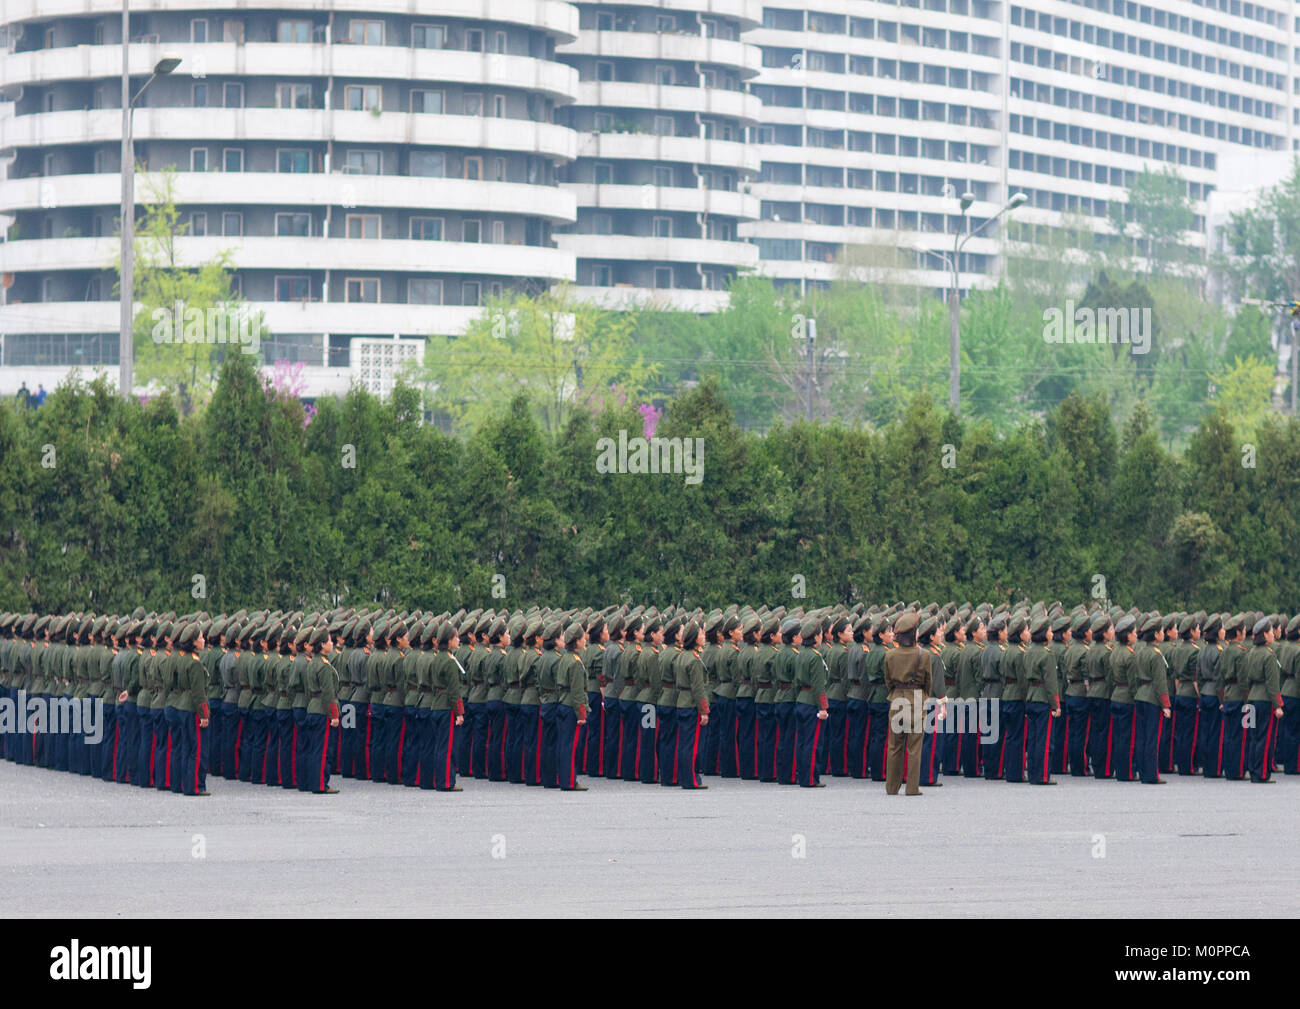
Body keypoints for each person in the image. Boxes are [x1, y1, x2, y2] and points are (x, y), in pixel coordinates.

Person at [883, 611, 932, 796]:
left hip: (896, 699)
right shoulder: (924, 655)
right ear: (913, 634)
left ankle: (891, 787)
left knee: (894, 746)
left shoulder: (890, 655)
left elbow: (888, 681)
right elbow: (928, 681)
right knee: (914, 748)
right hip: (917, 699)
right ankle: (912, 787)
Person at [1242, 617, 1284, 784]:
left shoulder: (1249, 653)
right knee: (1265, 738)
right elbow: (1272, 684)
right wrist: (1278, 705)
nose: (1273, 634)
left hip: (1251, 699)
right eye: (1270, 632)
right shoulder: (1269, 655)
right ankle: (1262, 773)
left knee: (1252, 735)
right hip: (1265, 701)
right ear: (1265, 635)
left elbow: (1245, 680)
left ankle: (1252, 770)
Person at [1023, 615, 1061, 785]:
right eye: (1050, 631)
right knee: (1045, 741)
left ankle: (1032, 773)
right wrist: (1056, 705)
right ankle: (1043, 775)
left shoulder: (1028, 652)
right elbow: (1051, 683)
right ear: (1044, 634)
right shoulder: (1047, 655)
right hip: (1043, 699)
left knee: (1032, 739)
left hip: (1030, 697)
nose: (1052, 634)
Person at [1133, 614, 1171, 785]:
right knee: (1152, 738)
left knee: (1141, 737)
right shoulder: (1156, 655)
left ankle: (1142, 771)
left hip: (1140, 694)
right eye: (1162, 631)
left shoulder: (1140, 652)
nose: (1163, 634)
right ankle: (1151, 774)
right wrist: (1166, 705)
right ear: (1156, 635)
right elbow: (1160, 682)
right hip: (1152, 698)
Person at [793, 615, 829, 787]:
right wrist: (823, 707)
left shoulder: (801, 653)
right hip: (812, 703)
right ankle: (810, 778)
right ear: (815, 637)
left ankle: (802, 775)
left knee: (802, 742)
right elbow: (818, 685)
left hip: (801, 700)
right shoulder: (815, 656)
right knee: (812, 743)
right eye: (820, 634)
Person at [558, 621, 590, 790]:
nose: (585, 640)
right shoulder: (576, 662)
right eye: (583, 638)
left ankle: (565, 780)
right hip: (572, 707)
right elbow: (578, 692)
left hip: (564, 703)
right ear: (576, 641)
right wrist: (582, 715)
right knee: (571, 747)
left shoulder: (565, 658)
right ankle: (570, 781)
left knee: (564, 745)